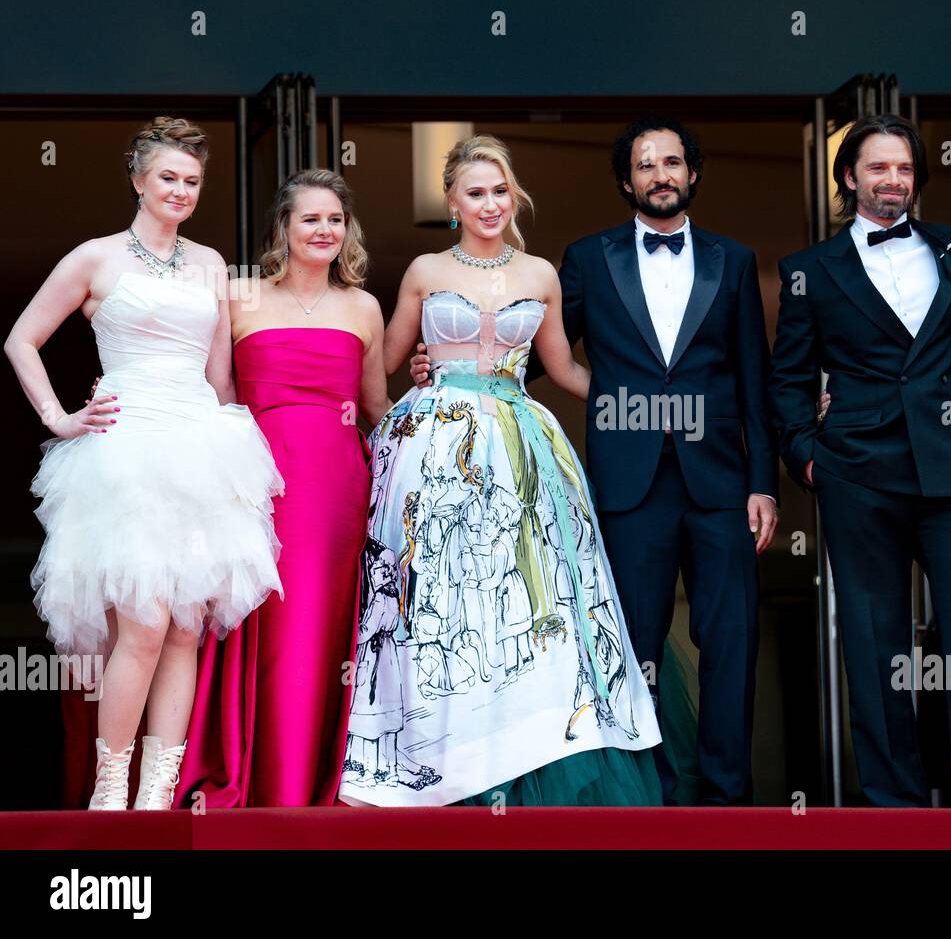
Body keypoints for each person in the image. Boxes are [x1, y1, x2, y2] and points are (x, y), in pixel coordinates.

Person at [412, 117, 780, 805]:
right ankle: (655, 796)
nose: (660, 175)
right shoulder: (585, 259)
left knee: (731, 642)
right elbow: (539, 352)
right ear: (626, 180)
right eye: (646, 165)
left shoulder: (734, 261)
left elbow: (755, 384)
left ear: (692, 174)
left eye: (672, 163)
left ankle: (729, 800)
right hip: (627, 483)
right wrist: (454, 360)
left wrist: (764, 483)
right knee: (632, 644)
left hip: (721, 480)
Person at [340, 134, 661, 806]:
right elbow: (385, 358)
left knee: (525, 598)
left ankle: (528, 760)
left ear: (514, 197)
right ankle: (441, 761)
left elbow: (565, 368)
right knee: (446, 598)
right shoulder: (426, 270)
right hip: (436, 449)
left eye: (500, 191)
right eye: (476, 193)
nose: (490, 204)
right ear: (453, 202)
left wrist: (649, 401)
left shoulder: (541, 274)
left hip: (522, 445)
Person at [3, 117, 283, 810]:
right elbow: (21, 339)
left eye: (192, 181)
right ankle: (110, 786)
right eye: (168, 177)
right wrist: (57, 418)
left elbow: (219, 375)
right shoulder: (94, 258)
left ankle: (157, 795)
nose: (181, 190)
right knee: (147, 620)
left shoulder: (212, 264)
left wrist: (236, 460)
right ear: (138, 179)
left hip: (197, 441)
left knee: (187, 624)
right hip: (126, 448)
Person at [769, 113, 951, 807]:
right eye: (879, 167)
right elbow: (789, 377)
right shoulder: (809, 270)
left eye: (906, 169)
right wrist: (806, 459)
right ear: (850, 177)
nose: (894, 180)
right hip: (856, 471)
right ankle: (895, 806)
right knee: (873, 637)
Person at [175, 169, 390, 807]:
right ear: (283, 228)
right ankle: (254, 775)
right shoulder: (238, 295)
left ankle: (309, 780)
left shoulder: (364, 307)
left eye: (335, 220)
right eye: (310, 219)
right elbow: (219, 395)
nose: (324, 230)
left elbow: (377, 409)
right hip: (257, 479)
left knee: (318, 624)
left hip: (336, 487)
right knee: (257, 616)